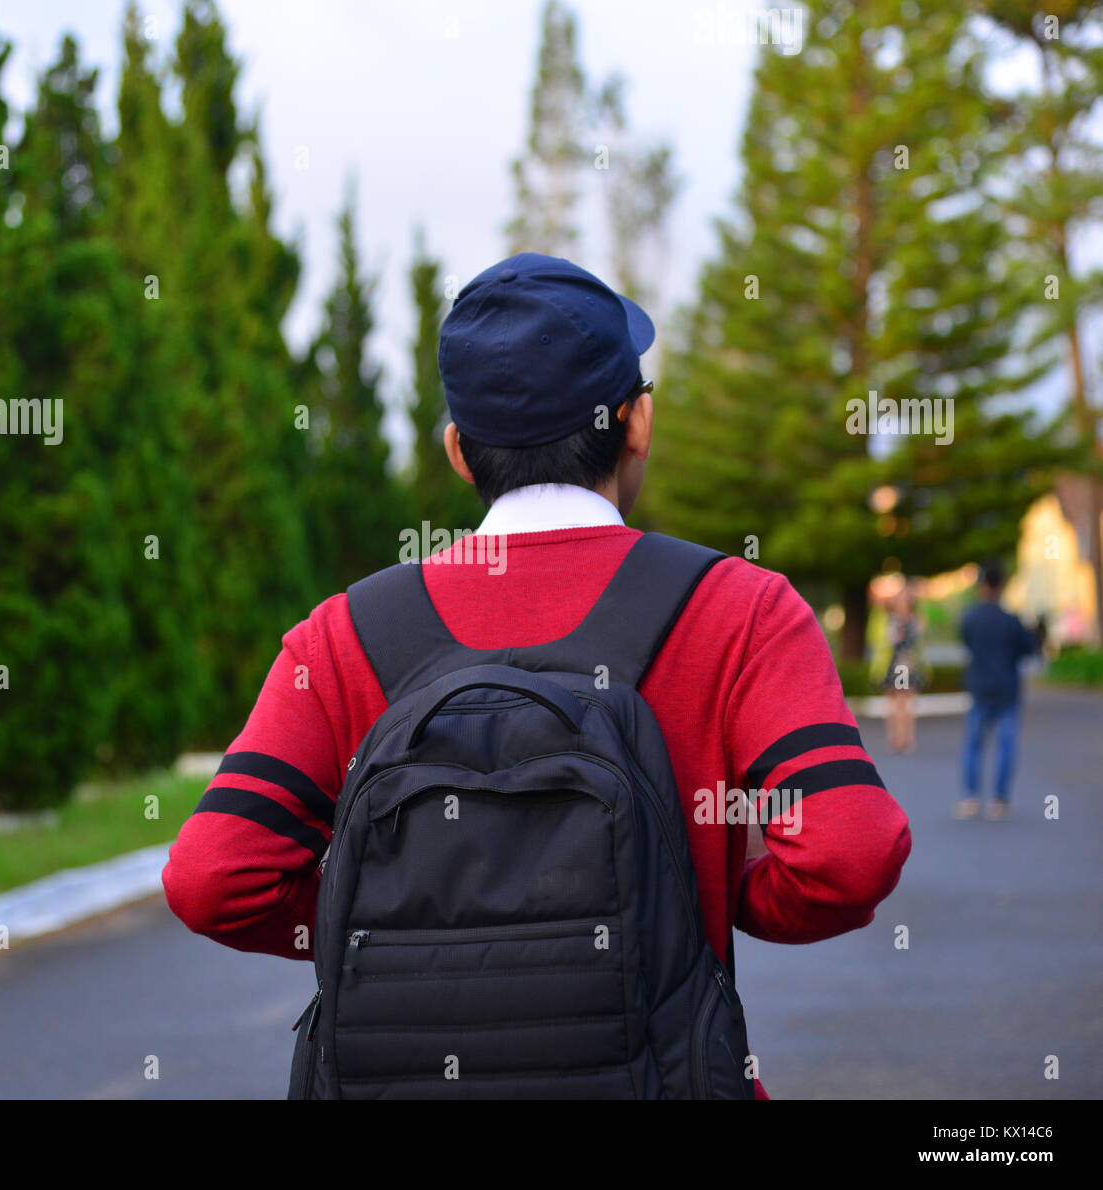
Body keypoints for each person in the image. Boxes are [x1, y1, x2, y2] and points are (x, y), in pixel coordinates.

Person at [162, 252, 912, 1098]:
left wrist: (383, 929)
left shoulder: (342, 636)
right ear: (637, 424)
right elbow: (849, 852)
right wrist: (712, 898)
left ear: (457, 451)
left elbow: (212, 878)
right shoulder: (741, 609)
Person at [955, 561, 1040, 821]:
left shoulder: (970, 618)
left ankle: (970, 798)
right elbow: (1029, 649)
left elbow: (966, 643)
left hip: (979, 688)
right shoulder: (1011, 620)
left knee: (973, 745)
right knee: (1005, 747)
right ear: (1001, 586)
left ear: (982, 586)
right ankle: (999, 801)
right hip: (1007, 689)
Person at [877, 585, 928, 753]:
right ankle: (898, 736)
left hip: (903, 664)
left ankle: (903, 737)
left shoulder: (907, 621)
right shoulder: (902, 620)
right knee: (896, 702)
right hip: (898, 663)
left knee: (903, 702)